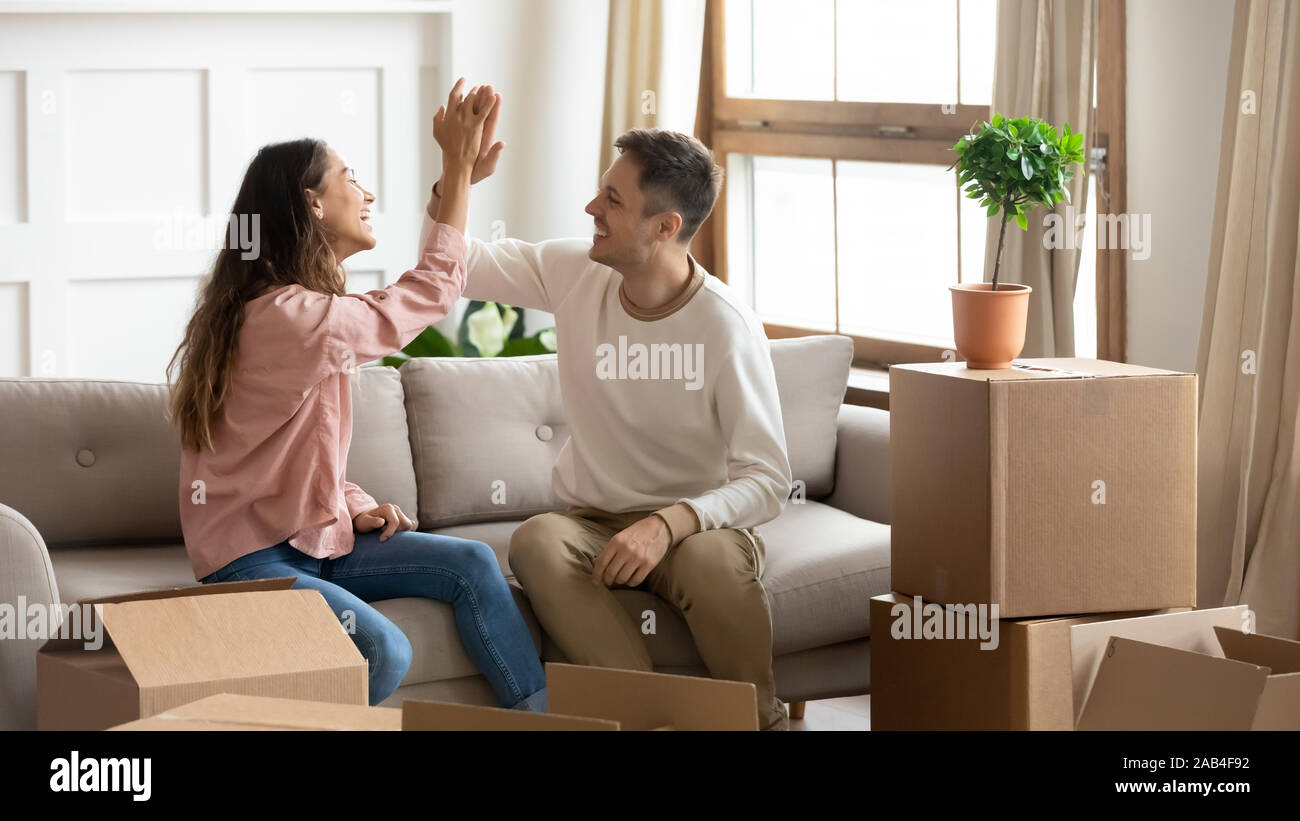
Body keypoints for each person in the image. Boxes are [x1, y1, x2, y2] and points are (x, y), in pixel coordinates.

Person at [166, 80, 547, 712]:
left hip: (314, 538)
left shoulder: (304, 313)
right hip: (249, 561)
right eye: (352, 178)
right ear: (312, 203)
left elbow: (296, 451)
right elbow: (421, 298)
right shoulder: (286, 317)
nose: (367, 194)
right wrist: (454, 172)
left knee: (474, 563)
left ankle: (545, 727)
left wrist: (354, 503)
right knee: (382, 648)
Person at [423, 104, 793, 730]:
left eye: (612, 200)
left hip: (695, 529)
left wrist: (669, 523)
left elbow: (768, 479)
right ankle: (641, 719)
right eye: (600, 193)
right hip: (593, 524)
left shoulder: (724, 327)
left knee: (709, 563)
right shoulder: (577, 272)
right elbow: (457, 267)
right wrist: (456, 175)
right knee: (538, 540)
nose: (592, 210)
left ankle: (758, 720)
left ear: (664, 226)